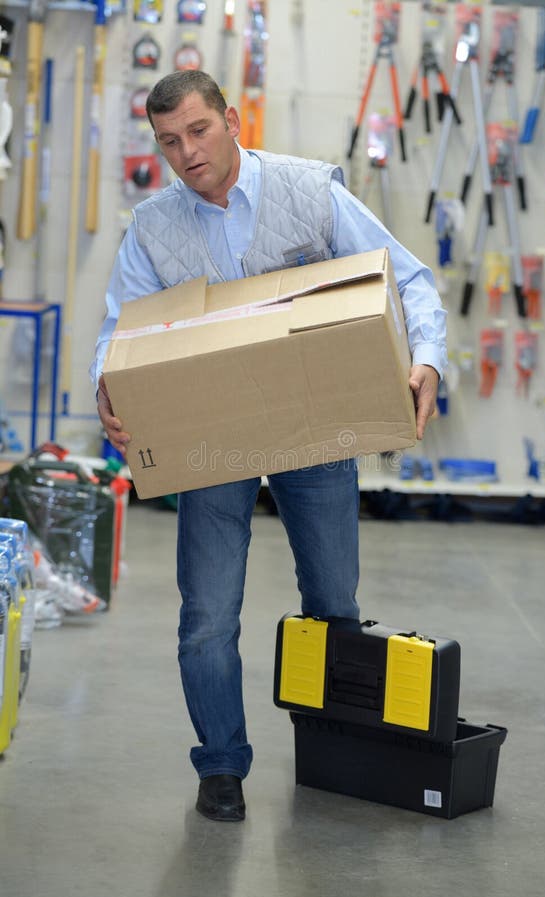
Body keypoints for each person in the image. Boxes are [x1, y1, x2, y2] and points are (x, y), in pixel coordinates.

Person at [92, 70, 447, 823]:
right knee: (208, 616)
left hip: (315, 429)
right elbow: (117, 330)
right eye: (167, 142)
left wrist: (427, 358)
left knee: (332, 600)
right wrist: (108, 384)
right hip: (210, 435)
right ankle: (221, 766)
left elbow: (410, 279)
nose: (186, 153)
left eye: (198, 130)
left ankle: (337, 748)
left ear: (230, 119)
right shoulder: (152, 227)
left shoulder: (309, 191)